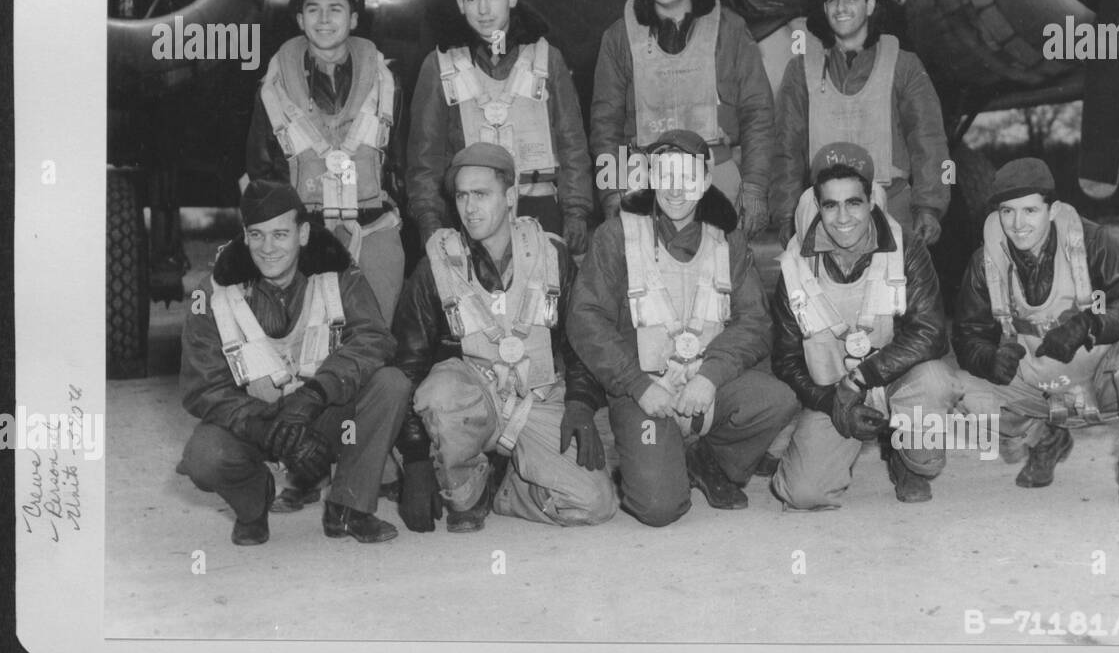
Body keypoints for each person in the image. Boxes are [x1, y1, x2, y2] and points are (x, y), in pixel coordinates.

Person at [567, 129, 799, 526]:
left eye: (688, 176)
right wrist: (636, 384)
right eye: (664, 175)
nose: (675, 189)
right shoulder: (615, 236)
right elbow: (585, 318)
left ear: (706, 180)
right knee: (659, 508)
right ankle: (659, 456)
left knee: (776, 401)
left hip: (707, 386)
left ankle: (709, 459)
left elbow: (755, 322)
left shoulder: (729, 239)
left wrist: (711, 376)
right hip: (643, 391)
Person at [390, 143, 616, 533]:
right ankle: (467, 488)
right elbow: (406, 366)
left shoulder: (552, 256)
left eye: (482, 194)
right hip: (473, 398)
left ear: (511, 197)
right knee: (439, 393)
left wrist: (581, 403)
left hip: (537, 396)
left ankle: (509, 489)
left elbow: (581, 344)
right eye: (461, 196)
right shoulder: (435, 269)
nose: (469, 208)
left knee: (596, 503)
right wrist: (415, 461)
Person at [176, 181, 408, 545]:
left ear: (302, 234)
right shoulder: (212, 293)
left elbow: (374, 339)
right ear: (245, 236)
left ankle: (348, 507)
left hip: (323, 415)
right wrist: (266, 430)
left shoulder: (338, 274)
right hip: (254, 423)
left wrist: (316, 393)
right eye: (257, 235)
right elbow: (202, 387)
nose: (268, 248)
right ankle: (254, 505)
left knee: (390, 385)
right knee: (204, 456)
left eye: (280, 234)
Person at [952, 158, 1119, 504]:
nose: (1018, 224)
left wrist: (1091, 324)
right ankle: (1043, 439)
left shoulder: (1091, 241)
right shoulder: (985, 262)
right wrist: (988, 358)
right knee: (957, 389)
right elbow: (967, 335)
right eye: (1007, 212)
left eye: (1030, 210)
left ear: (1053, 209)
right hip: (1035, 384)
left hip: (1100, 376)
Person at [769, 143, 962, 507]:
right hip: (834, 394)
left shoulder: (907, 249)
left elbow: (930, 333)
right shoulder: (793, 267)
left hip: (897, 382)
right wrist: (832, 405)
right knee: (802, 495)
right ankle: (827, 445)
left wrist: (860, 379)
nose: (843, 217)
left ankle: (908, 460)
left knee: (936, 381)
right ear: (818, 205)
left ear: (871, 200)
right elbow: (786, 359)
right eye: (831, 205)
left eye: (853, 202)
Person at [588, 0, 775, 237]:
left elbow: (758, 113)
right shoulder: (619, 38)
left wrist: (755, 186)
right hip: (644, 180)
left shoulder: (730, 31)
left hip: (717, 177)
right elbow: (605, 123)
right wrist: (611, 191)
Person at [405, 0, 593, 255]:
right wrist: (430, 222)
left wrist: (576, 211)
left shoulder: (547, 59)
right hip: (472, 214)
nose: (483, 9)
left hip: (541, 206)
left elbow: (573, 145)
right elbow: (425, 160)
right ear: (460, 5)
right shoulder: (439, 66)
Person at [246, 0, 406, 324]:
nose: (323, 19)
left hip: (374, 232)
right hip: (306, 235)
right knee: (309, 344)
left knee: (376, 339)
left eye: (335, 9)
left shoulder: (388, 84)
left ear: (352, 19)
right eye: (313, 9)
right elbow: (262, 172)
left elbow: (400, 165)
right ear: (300, 20)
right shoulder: (273, 89)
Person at [770, 0, 950, 249]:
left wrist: (929, 207)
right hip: (826, 213)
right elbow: (786, 151)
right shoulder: (800, 71)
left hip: (892, 208)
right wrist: (788, 215)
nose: (841, 8)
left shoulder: (904, 65)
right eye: (832, 0)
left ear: (869, 5)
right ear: (824, 9)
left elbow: (929, 141)